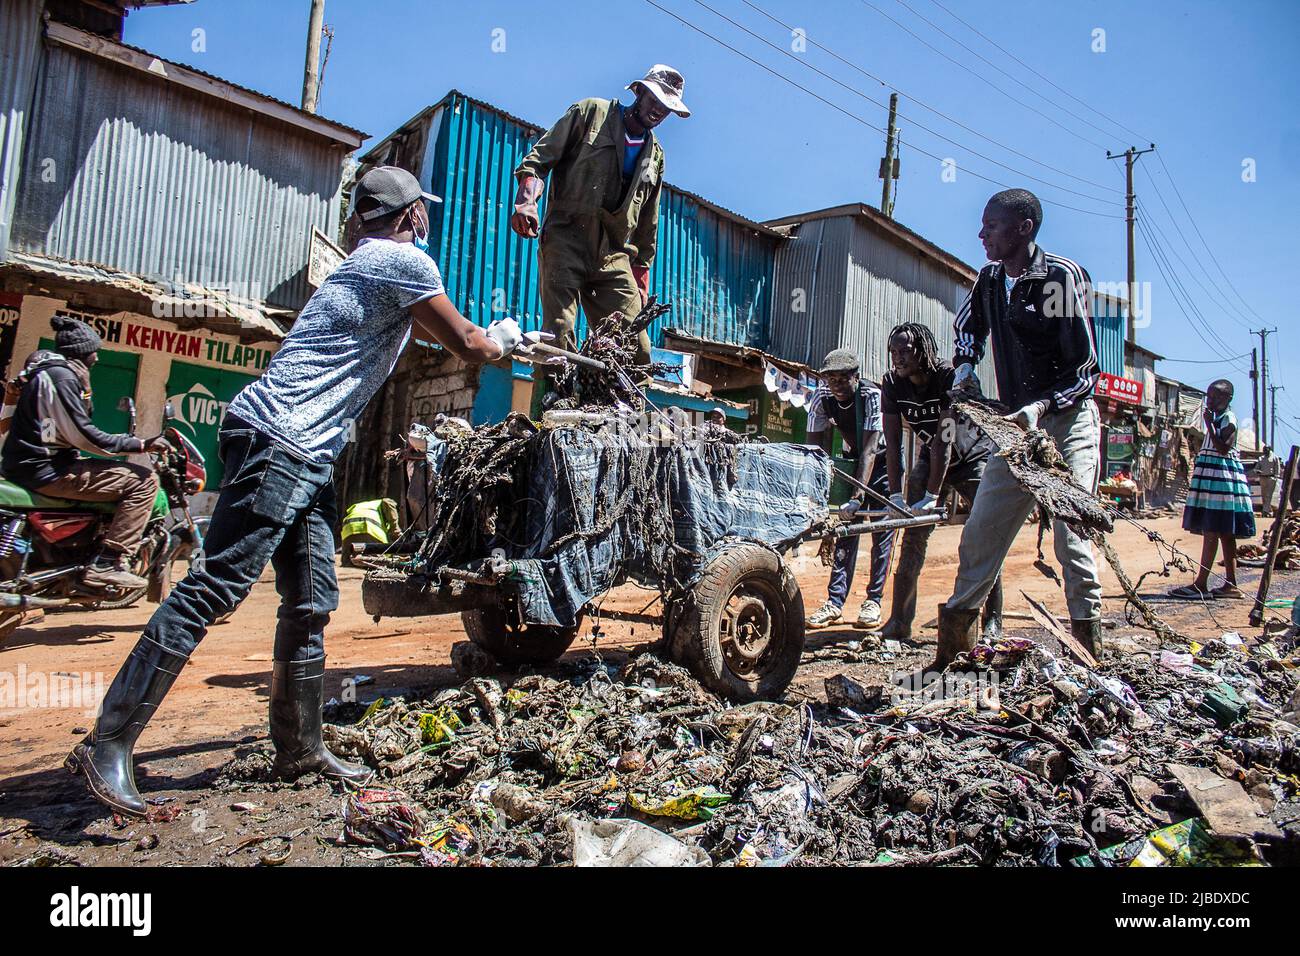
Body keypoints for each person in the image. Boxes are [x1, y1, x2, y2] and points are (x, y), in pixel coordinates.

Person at [67, 166, 525, 817]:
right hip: (281, 439)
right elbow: (468, 343)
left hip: (306, 451)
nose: (425, 219)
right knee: (216, 588)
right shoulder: (402, 261)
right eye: (422, 211)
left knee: (310, 599)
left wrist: (485, 339)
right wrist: (502, 338)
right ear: (409, 215)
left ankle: (299, 744)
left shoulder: (366, 264)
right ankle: (107, 742)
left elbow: (433, 331)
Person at [940, 188, 1104, 666]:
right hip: (1015, 430)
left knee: (1071, 540)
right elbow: (968, 327)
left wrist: (1044, 406)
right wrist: (966, 364)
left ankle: (1088, 660)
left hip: (1066, 420)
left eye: (991, 226)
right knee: (980, 534)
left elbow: (1086, 369)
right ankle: (955, 655)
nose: (982, 234)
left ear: (1023, 229)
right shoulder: (990, 280)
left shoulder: (1059, 278)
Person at [511, 65, 689, 404]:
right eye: (655, 100)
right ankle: (553, 412)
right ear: (639, 92)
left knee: (635, 344)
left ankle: (625, 420)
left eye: (666, 107)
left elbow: (649, 220)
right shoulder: (590, 113)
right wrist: (526, 203)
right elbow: (538, 161)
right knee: (558, 334)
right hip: (566, 239)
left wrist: (640, 278)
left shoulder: (655, 155)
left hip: (614, 254)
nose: (658, 110)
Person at [0, 317, 170, 589]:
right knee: (144, 481)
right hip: (48, 470)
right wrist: (140, 443)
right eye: (94, 351)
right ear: (83, 352)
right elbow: (85, 435)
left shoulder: (42, 374)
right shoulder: (63, 377)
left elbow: (39, 429)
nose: (97, 357)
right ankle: (108, 562)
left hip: (25, 465)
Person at [878, 322, 1002, 644]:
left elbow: (945, 440)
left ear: (922, 350)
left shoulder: (948, 377)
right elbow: (892, 444)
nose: (898, 358)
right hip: (928, 459)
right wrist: (895, 496)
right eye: (894, 352)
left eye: (905, 351)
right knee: (912, 539)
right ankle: (899, 622)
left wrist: (933, 495)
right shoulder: (892, 384)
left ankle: (992, 622)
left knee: (986, 537)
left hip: (970, 456)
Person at [805, 348, 894, 630]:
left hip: (882, 465)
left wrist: (857, 498)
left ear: (856, 376)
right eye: (831, 380)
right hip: (852, 462)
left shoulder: (871, 396)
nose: (837, 386)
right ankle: (835, 602)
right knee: (845, 532)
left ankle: (873, 601)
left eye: (843, 379)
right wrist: (815, 495)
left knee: (881, 533)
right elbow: (814, 450)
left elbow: (870, 451)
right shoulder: (822, 397)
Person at [1170, 380, 1255, 599]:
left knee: (1212, 531)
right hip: (1215, 479)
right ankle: (1230, 585)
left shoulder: (1228, 419)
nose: (1211, 401)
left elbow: (1224, 448)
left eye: (1216, 397)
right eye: (1209, 396)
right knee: (1225, 534)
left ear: (1228, 398)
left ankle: (1201, 584)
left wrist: (1208, 423)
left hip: (1221, 480)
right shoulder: (1219, 417)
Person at [1256, 444, 1279, 517]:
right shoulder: (1261, 458)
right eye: (1264, 449)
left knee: (1269, 495)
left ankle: (1265, 511)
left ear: (1269, 449)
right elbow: (1256, 468)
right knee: (1264, 495)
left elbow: (1277, 468)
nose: (1264, 451)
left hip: (1271, 478)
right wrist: (1257, 471)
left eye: (1266, 449)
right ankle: (1269, 511)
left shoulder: (1275, 457)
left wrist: (1276, 477)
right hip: (1262, 478)